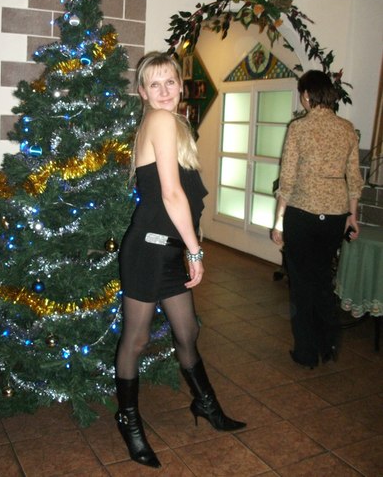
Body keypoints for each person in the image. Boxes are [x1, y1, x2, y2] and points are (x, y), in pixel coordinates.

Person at [115, 52, 246, 469]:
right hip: (149, 251)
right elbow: (172, 195)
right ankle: (129, 421)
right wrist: (195, 250)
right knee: (136, 340)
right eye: (154, 84)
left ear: (181, 85)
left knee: (188, 332)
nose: (163, 90)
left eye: (170, 81)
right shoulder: (160, 120)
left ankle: (205, 404)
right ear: (142, 92)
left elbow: (185, 199)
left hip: (167, 250)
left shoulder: (176, 125)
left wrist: (188, 244)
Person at [271, 70, 363, 369]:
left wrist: (278, 220)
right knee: (322, 279)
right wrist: (352, 216)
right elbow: (354, 178)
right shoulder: (347, 129)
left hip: (302, 213)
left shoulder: (299, 128)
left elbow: (287, 179)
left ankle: (306, 352)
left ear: (307, 95)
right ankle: (329, 343)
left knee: (301, 283)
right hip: (335, 215)